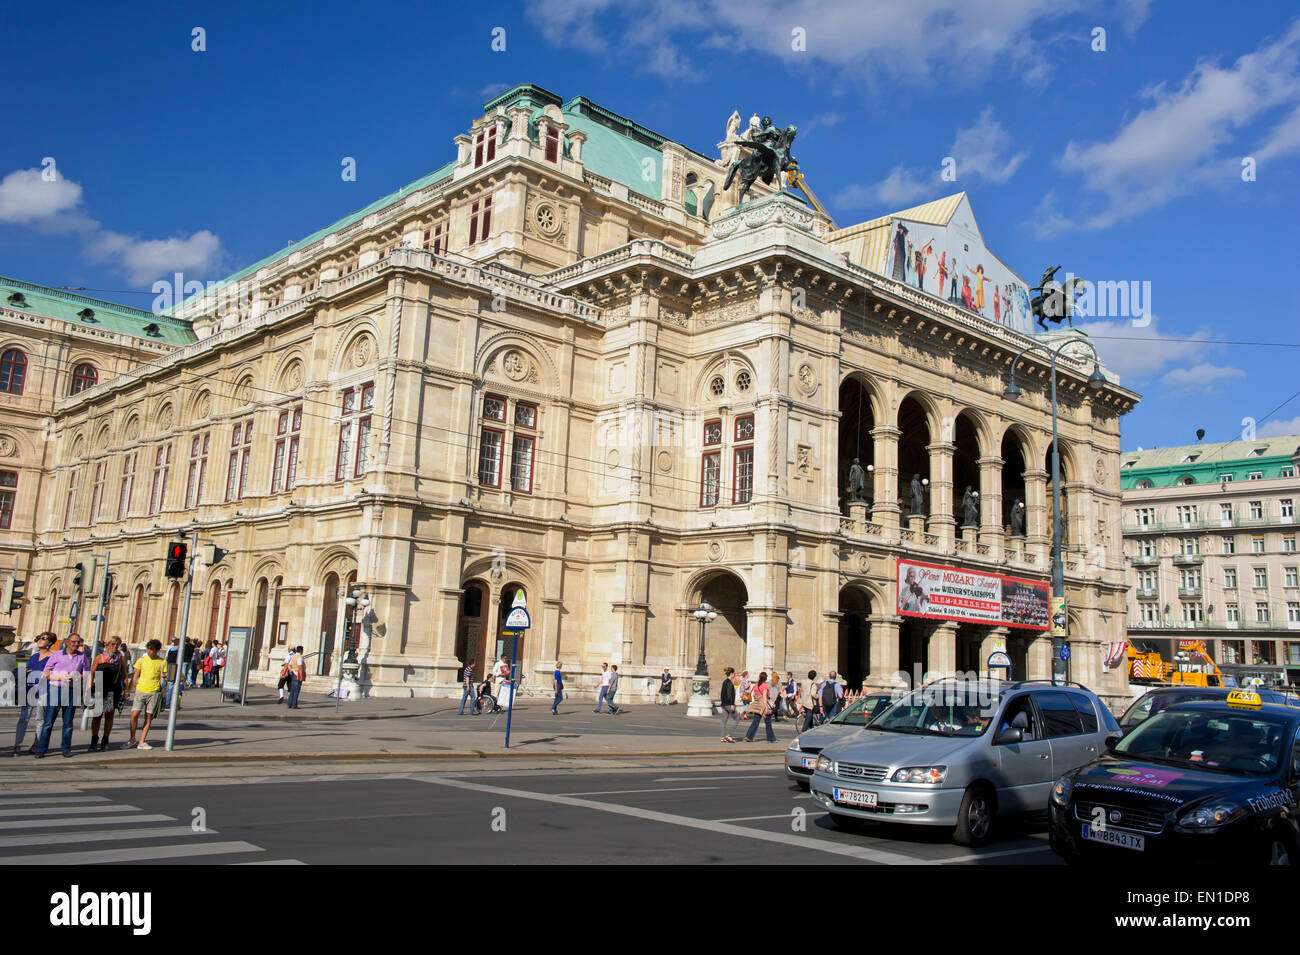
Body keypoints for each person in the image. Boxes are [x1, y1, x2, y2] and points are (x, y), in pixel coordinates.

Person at [34, 633, 88, 758]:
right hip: (56, 689)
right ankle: (41, 749)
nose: (75, 644)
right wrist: (58, 677)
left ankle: (66, 748)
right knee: (48, 721)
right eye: (73, 642)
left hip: (71, 691)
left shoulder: (82, 657)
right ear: (67, 642)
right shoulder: (57, 655)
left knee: (68, 722)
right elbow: (46, 672)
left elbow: (85, 673)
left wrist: (75, 676)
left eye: (78, 642)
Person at [12, 631, 54, 756]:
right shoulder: (35, 656)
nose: (39, 640)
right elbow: (28, 670)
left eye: (43, 638)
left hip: (43, 689)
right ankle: (17, 744)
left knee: (40, 719)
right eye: (39, 638)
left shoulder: (53, 657)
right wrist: (24, 672)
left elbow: (51, 673)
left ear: (49, 642)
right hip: (29, 689)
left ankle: (37, 744)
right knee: (23, 718)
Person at [89, 636, 128, 751]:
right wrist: (89, 687)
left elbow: (124, 675)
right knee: (97, 716)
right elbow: (92, 673)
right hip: (100, 689)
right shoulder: (99, 658)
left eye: (118, 645)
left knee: (109, 716)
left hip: (113, 689)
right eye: (113, 644)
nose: (115, 647)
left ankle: (105, 739)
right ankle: (94, 739)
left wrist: (126, 690)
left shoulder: (120, 659)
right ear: (107, 645)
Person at [125, 639, 165, 750]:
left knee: (148, 717)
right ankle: (132, 738)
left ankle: (142, 741)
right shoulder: (141, 660)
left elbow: (165, 675)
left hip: (154, 691)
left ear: (157, 650)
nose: (149, 651)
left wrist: (169, 676)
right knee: (134, 715)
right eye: (148, 649)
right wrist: (128, 691)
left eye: (151, 650)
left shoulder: (162, 662)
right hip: (140, 690)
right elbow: (134, 677)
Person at [743, 671, 776, 743]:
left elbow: (755, 695)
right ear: (765, 678)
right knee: (768, 722)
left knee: (755, 721)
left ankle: (748, 736)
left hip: (757, 704)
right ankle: (771, 738)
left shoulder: (756, 685)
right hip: (763, 705)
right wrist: (766, 708)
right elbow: (764, 697)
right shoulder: (764, 686)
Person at [719, 666, 738, 742]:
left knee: (724, 721)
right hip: (729, 704)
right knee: (736, 719)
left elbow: (722, 694)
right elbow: (729, 694)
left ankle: (722, 737)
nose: (735, 675)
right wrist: (732, 704)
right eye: (734, 673)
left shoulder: (724, 682)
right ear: (732, 674)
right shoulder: (729, 683)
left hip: (724, 704)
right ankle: (729, 735)